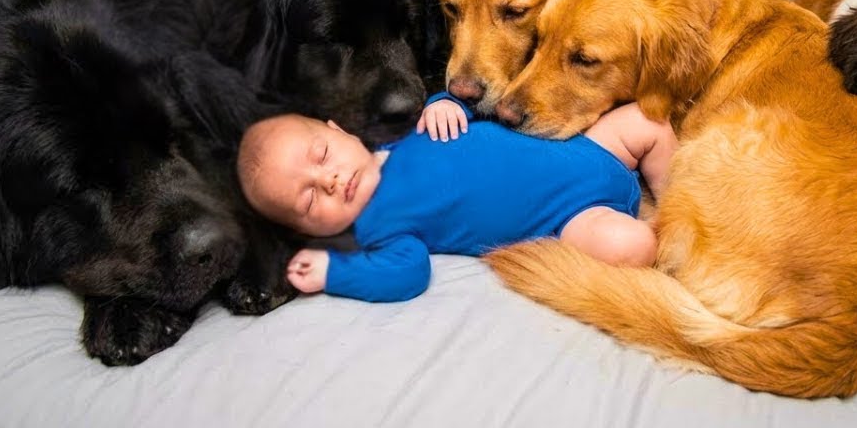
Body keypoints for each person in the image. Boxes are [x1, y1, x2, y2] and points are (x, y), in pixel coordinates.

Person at [237, 93, 678, 302]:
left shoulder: (405, 134)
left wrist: (445, 103)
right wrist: (335, 273)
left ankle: (677, 196)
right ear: (305, 230)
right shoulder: (381, 226)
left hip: (590, 147)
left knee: (649, 119)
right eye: (310, 199)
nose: (330, 180)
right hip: (572, 216)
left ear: (340, 130)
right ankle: (674, 235)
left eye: (322, 155)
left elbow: (474, 107)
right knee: (633, 246)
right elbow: (406, 276)